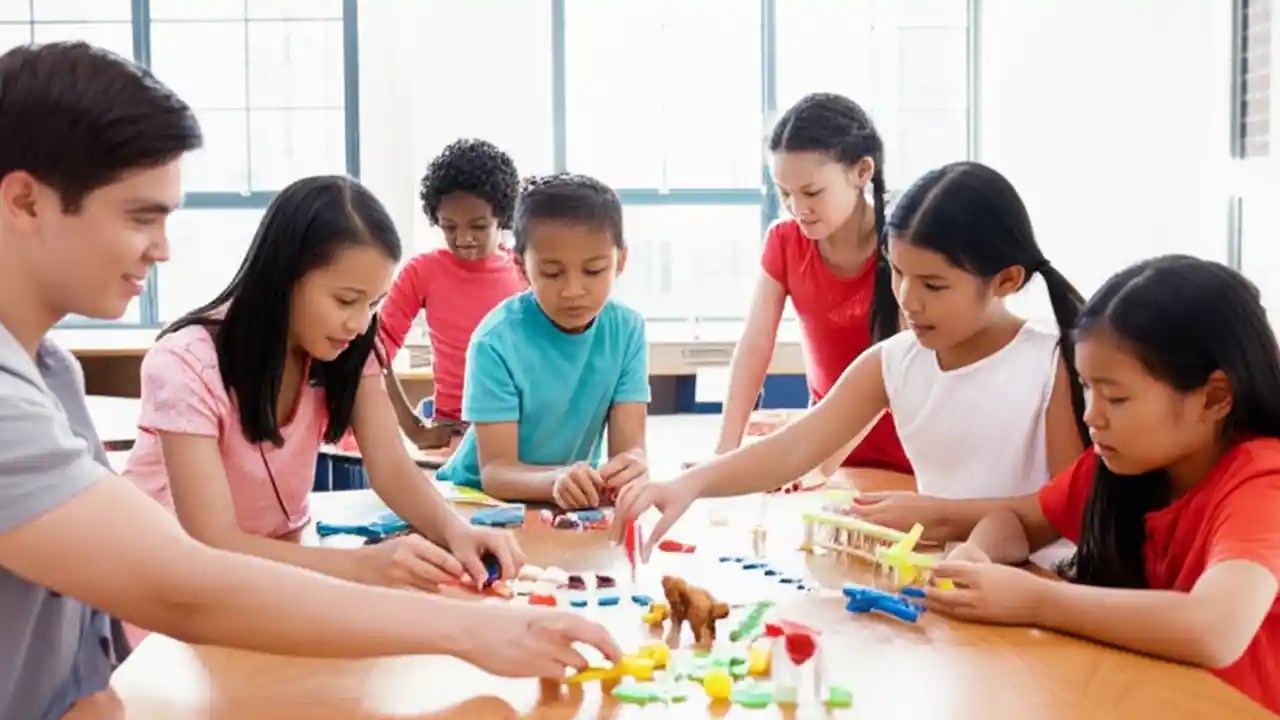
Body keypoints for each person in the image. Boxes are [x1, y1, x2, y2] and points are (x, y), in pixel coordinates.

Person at [0, 41, 616, 720]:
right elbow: (187, 583)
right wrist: (470, 628)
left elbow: (74, 666)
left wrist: (448, 536)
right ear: (26, 201)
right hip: (187, 627)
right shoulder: (163, 364)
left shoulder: (48, 370)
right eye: (141, 216)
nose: (164, 247)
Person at [614, 161, 1088, 554]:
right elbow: (797, 447)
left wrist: (940, 515)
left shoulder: (1052, 364)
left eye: (933, 285)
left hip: (1041, 585)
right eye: (898, 273)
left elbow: (1067, 510)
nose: (907, 299)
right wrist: (690, 483)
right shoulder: (894, 361)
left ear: (1005, 281)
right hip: (951, 578)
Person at [123, 175, 519, 605]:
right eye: (346, 300)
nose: (359, 323)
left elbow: (391, 466)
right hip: (166, 594)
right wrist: (360, 568)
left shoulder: (345, 350)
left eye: (373, 304)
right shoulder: (185, 363)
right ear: (285, 276)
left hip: (272, 580)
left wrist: (456, 532)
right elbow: (213, 544)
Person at [927, 256, 1280, 715]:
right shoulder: (1118, 463)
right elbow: (1017, 520)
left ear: (1214, 397)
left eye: (1116, 397)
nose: (1092, 415)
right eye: (1086, 389)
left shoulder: (1263, 480)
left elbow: (1214, 630)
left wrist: (1036, 601)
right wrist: (976, 554)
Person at [713, 92, 909, 476]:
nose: (797, 207)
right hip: (827, 447)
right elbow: (754, 349)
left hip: (910, 453)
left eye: (812, 192)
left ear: (862, 172)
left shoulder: (904, 242)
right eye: (784, 193)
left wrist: (820, 468)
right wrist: (725, 452)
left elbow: (895, 374)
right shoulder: (784, 241)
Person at [436, 174, 650, 509]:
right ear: (521, 265)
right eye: (552, 273)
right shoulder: (496, 341)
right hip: (474, 500)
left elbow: (629, 450)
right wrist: (557, 480)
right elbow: (495, 471)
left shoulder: (627, 330)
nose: (573, 290)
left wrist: (631, 468)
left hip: (562, 498)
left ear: (620, 260)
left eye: (594, 270)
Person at [376, 138, 527, 448]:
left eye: (479, 226)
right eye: (449, 227)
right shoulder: (423, 272)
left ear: (503, 217)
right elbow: (373, 352)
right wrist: (414, 429)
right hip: (452, 432)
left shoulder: (525, 271)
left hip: (521, 432)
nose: (464, 238)